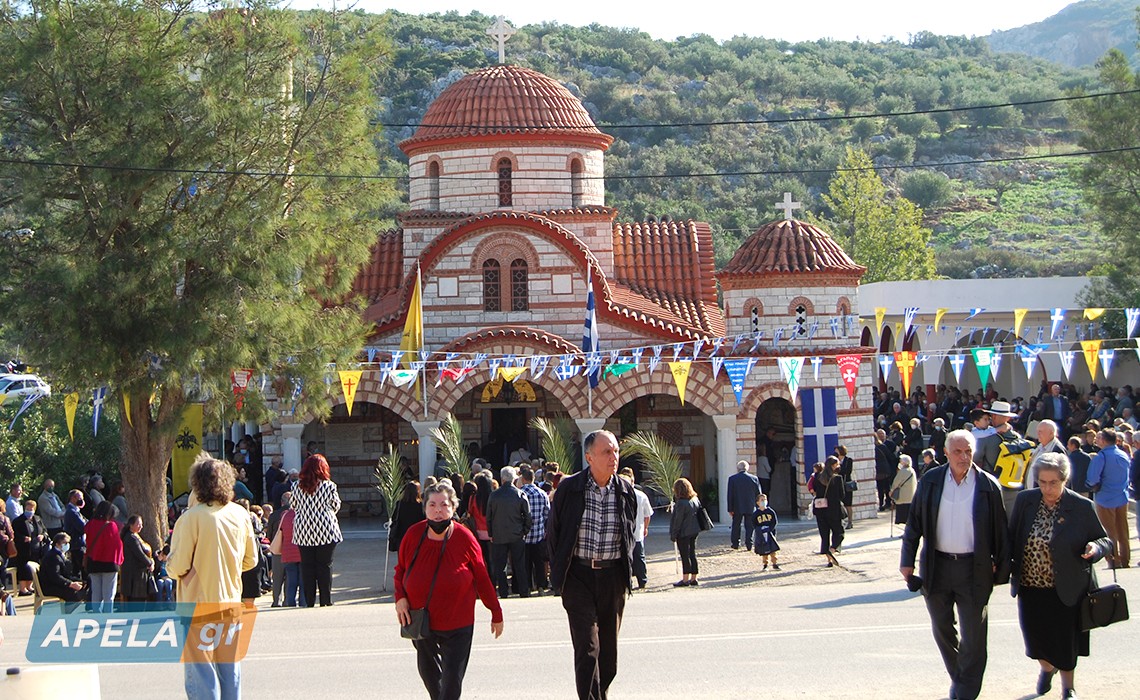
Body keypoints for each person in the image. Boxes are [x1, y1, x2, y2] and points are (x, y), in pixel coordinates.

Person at [899, 429, 1011, 700]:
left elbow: (1001, 532)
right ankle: (961, 679)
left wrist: (1001, 568)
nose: (964, 457)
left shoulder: (988, 485)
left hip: (975, 569)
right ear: (946, 453)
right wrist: (907, 561)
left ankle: (965, 691)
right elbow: (914, 523)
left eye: (968, 451)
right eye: (958, 452)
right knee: (941, 627)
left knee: (974, 635)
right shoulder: (931, 481)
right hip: (937, 565)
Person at [1009, 452, 1110, 700]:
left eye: (1053, 482)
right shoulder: (1025, 501)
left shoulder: (1081, 506)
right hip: (1031, 586)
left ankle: (1068, 688)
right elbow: (1011, 537)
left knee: (1066, 641)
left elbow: (1105, 540)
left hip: (1067, 586)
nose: (1047, 488)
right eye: (1042, 482)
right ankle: (1047, 667)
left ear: (1064, 480)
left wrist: (1095, 548)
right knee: (1035, 643)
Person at [546, 430, 638, 700]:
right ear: (589, 457)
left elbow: (630, 534)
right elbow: (555, 534)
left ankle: (601, 694)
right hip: (579, 576)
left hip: (612, 577)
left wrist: (629, 573)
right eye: (606, 452)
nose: (614, 458)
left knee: (608, 655)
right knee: (587, 649)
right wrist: (560, 573)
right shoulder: (569, 489)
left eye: (616, 451)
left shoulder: (625, 490)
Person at [394, 480, 503, 700]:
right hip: (422, 619)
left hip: (458, 623)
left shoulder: (465, 538)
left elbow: (482, 578)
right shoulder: (413, 535)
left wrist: (496, 612)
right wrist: (400, 598)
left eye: (444, 505)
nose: (438, 511)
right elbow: (400, 571)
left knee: (452, 681)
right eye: (432, 505)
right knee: (430, 676)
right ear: (424, 508)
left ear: (453, 508)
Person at [168, 453, 258, 700]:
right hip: (230, 603)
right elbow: (251, 561)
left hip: (197, 605)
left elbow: (177, 567)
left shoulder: (190, 519)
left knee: (201, 673)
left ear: (197, 484)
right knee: (230, 671)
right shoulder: (240, 515)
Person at [290, 453, 343, 606]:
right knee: (325, 565)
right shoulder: (329, 486)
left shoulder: (296, 486)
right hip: (326, 530)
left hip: (303, 530)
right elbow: (335, 506)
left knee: (307, 567)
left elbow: (293, 506)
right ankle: (326, 600)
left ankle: (309, 601)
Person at [1085, 427, 1131, 569]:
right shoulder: (1123, 455)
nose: (1096, 440)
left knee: (1108, 531)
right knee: (1123, 530)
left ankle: (1113, 560)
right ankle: (1125, 559)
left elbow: (1092, 479)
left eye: (1098, 438)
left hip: (1105, 498)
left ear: (1104, 441)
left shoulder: (1101, 457)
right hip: (1122, 496)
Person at [486, 466, 531, 598]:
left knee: (500, 566)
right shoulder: (520, 494)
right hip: (517, 534)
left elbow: (489, 517)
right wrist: (524, 531)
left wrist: (491, 534)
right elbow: (527, 515)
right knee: (519, 564)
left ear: (501, 478)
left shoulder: (494, 495)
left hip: (499, 535)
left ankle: (504, 592)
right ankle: (523, 590)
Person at [84, 500, 123, 613]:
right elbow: (117, 545)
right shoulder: (111, 526)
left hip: (93, 562)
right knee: (108, 595)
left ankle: (97, 614)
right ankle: (107, 617)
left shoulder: (90, 524)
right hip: (109, 563)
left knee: (96, 593)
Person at [519, 466, 551, 593]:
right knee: (539, 562)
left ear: (523, 479)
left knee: (525, 562)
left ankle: (527, 586)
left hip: (524, 534)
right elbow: (547, 513)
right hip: (538, 533)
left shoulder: (520, 493)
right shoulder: (542, 493)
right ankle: (541, 586)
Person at [619, 468, 652, 590]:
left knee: (630, 558)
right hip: (635, 532)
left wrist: (645, 527)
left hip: (632, 533)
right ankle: (641, 581)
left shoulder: (639, 495)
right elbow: (647, 515)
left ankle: (631, 581)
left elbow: (647, 515)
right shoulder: (640, 495)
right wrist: (645, 527)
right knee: (638, 558)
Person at [669, 477, 703, 587]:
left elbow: (678, 521)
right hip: (694, 530)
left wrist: (673, 534)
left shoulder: (681, 503)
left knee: (685, 555)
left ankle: (685, 579)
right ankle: (694, 578)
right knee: (692, 553)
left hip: (683, 532)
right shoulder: (695, 499)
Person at [812, 457, 846, 566]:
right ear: (833, 465)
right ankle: (832, 550)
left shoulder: (817, 477)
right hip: (833, 510)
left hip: (820, 510)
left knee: (825, 535)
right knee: (839, 533)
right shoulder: (837, 479)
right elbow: (842, 495)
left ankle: (829, 561)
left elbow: (815, 491)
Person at [12, 499, 47, 596]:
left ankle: (29, 586)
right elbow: (14, 534)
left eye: (31, 509)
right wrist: (23, 538)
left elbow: (44, 530)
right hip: (24, 549)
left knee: (33, 568)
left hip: (36, 548)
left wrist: (42, 536)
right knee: (24, 568)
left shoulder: (38, 519)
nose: (29, 511)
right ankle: (22, 588)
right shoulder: (18, 521)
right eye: (27, 509)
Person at [38, 533, 85, 603]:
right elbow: (55, 576)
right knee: (73, 592)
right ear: (57, 544)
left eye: (68, 543)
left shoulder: (61, 554)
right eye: (64, 543)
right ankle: (69, 612)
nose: (67, 545)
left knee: (85, 585)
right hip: (50, 586)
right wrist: (70, 584)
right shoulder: (53, 557)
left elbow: (65, 574)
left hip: (58, 583)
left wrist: (79, 581)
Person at [277, 494, 306, 607]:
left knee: (291, 581)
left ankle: (290, 603)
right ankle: (303, 602)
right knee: (303, 581)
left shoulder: (285, 515)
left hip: (288, 552)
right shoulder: (305, 515)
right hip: (302, 551)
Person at [119, 514, 154, 603]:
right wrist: (150, 563)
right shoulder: (131, 538)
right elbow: (140, 554)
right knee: (136, 601)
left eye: (141, 524)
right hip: (134, 575)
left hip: (136, 573)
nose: (141, 527)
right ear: (131, 524)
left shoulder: (135, 536)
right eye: (138, 524)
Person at [726, 460, 760, 550]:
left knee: (736, 525)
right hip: (750, 505)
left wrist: (730, 508)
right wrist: (759, 506)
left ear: (738, 469)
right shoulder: (754, 478)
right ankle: (749, 543)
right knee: (750, 526)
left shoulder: (732, 479)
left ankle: (735, 543)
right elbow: (758, 494)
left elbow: (730, 495)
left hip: (737, 506)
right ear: (747, 468)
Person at [1026, 420, 1066, 489]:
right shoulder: (1040, 447)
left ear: (1051, 433)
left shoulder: (1057, 450)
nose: (1038, 434)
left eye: (1040, 431)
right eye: (1037, 431)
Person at [390, 482, 426, 555]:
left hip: (401, 535)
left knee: (402, 558)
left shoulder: (399, 504)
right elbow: (423, 520)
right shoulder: (419, 506)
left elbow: (394, 518)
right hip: (415, 536)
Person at [751, 492, 780, 570]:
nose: (764, 501)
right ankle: (765, 564)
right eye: (762, 500)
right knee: (764, 549)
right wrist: (759, 530)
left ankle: (775, 563)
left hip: (770, 533)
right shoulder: (756, 514)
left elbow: (774, 521)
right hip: (761, 534)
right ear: (757, 502)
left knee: (773, 549)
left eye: (765, 500)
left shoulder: (770, 511)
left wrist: (770, 529)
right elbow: (754, 523)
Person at [890, 454, 918, 528]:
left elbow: (896, 483)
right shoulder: (912, 470)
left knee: (903, 515)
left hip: (902, 497)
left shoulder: (902, 471)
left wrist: (891, 491)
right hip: (910, 497)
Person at [63, 489, 87, 572]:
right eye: (79, 498)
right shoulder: (71, 512)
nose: (82, 501)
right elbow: (83, 527)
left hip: (79, 544)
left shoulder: (76, 511)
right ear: (73, 498)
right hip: (77, 544)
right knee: (81, 569)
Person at [836, 446, 855, 529]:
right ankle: (840, 520)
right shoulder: (835, 460)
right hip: (838, 485)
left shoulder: (848, 460)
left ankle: (850, 522)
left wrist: (839, 468)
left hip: (846, 484)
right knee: (837, 503)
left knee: (848, 504)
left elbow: (848, 471)